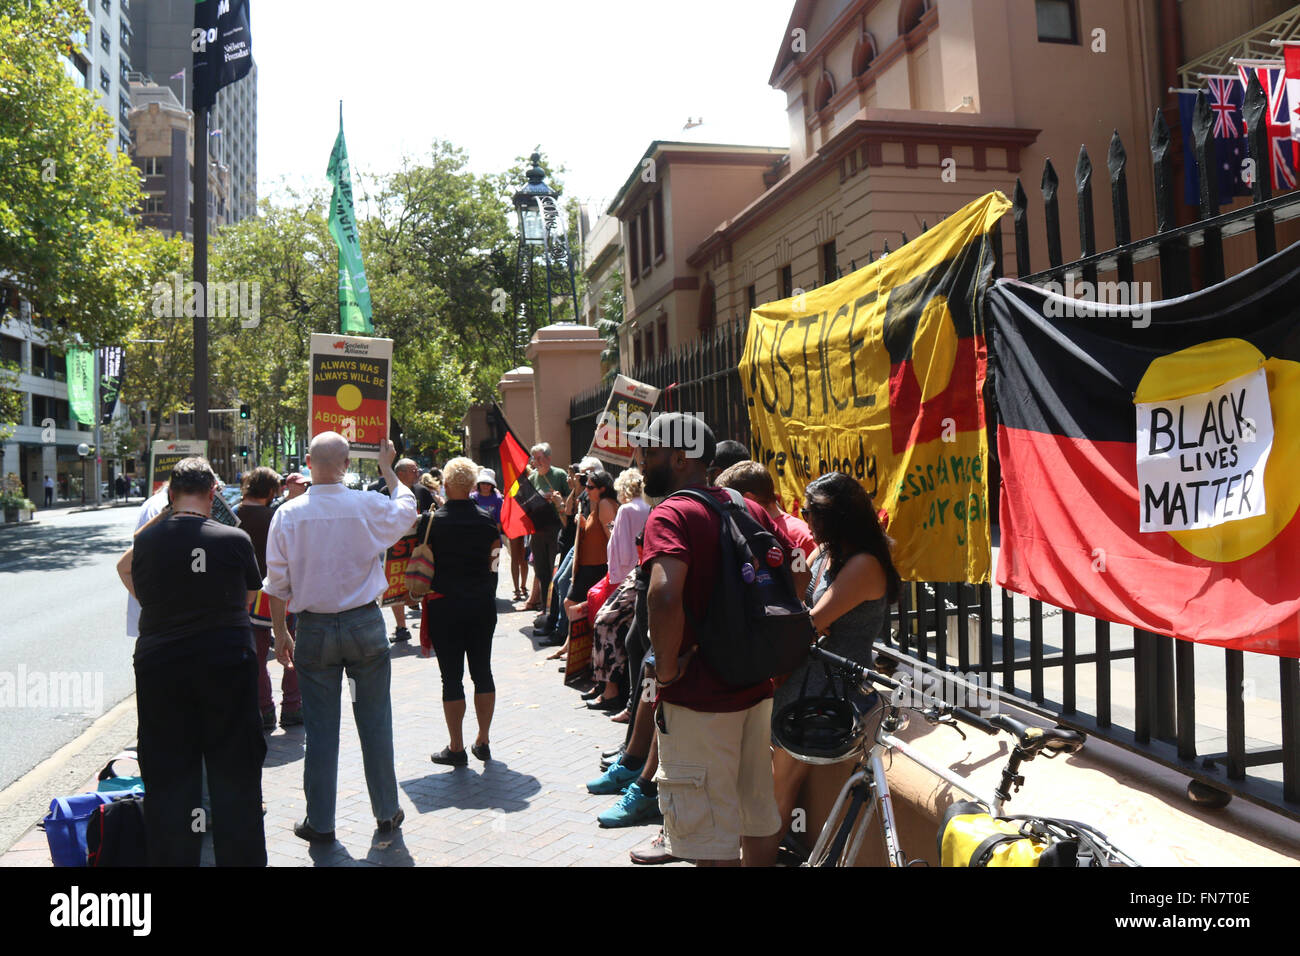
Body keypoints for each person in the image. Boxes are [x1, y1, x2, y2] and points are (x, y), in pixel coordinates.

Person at [631, 412, 799, 867]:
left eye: (650, 451)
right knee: (757, 815)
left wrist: (665, 670)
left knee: (707, 832)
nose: (641, 460)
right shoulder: (747, 506)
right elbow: (795, 574)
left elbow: (663, 596)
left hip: (698, 698)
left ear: (680, 456)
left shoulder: (671, 513)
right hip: (753, 689)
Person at [263, 432, 415, 844]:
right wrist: (388, 469)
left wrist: (280, 634)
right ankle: (386, 811)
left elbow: (276, 584)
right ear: (347, 464)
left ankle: (322, 821)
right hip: (364, 623)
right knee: (376, 722)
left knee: (321, 730)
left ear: (309, 462)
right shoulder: (366, 505)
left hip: (313, 627)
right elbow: (407, 510)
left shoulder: (288, 514)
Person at [115, 456, 266, 866]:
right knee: (234, 767)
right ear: (214, 492)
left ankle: (173, 857)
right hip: (225, 661)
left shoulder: (147, 541)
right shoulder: (233, 539)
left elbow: (123, 567)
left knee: (168, 771)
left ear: (169, 494)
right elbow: (249, 597)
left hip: (161, 662)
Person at [771, 472, 899, 847]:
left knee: (775, 787)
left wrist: (809, 621)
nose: (805, 518)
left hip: (833, 688)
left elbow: (811, 621)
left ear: (838, 516)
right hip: (807, 675)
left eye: (812, 511)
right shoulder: (827, 553)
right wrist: (806, 618)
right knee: (768, 782)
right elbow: (802, 608)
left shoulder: (863, 564)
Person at [418, 458, 503, 766]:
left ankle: (457, 747)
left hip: (445, 606)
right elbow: (495, 563)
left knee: (451, 677)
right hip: (481, 604)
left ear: (447, 484)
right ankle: (483, 739)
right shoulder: (487, 521)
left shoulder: (432, 522)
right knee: (483, 672)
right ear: (470, 486)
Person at [234, 466, 302, 731]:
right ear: (271, 490)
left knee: (258, 657)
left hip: (246, 596)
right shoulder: (278, 516)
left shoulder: (232, 517)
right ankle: (293, 707)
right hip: (281, 593)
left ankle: (264, 709)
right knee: (290, 650)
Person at [715, 460, 815, 561]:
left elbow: (807, 574)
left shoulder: (799, 535)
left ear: (748, 499)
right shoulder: (751, 531)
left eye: (729, 501)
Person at [384, 458, 428, 644]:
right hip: (397, 550)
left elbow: (431, 516)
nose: (417, 473)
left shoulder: (422, 491)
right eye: (413, 470)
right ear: (400, 473)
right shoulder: (385, 493)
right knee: (397, 586)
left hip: (420, 549)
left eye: (417, 470)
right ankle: (402, 627)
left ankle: (429, 625)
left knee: (424, 583)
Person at [527, 442, 569, 626]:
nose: (536, 462)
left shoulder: (559, 475)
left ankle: (555, 609)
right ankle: (544, 606)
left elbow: (569, 499)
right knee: (541, 569)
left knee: (554, 569)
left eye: (540, 458)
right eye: (534, 459)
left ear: (548, 458)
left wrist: (556, 498)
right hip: (537, 528)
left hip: (554, 528)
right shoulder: (532, 477)